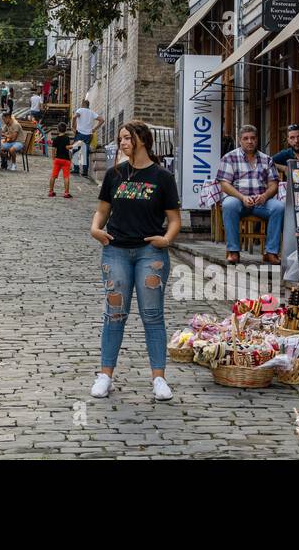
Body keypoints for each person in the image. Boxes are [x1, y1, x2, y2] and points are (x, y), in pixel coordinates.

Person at [89, 121, 180, 402]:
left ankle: (159, 379)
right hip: (115, 249)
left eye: (127, 137)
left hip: (150, 253)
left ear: (142, 139)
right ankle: (105, 375)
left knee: (153, 315)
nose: (123, 142)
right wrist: (95, 229)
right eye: (121, 138)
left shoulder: (162, 177)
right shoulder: (115, 174)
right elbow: (102, 210)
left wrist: (166, 240)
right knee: (114, 313)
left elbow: (174, 219)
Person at [216, 124, 283, 265]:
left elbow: (274, 184)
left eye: (252, 138)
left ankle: (271, 252)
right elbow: (224, 184)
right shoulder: (230, 157)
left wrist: (264, 196)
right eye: (245, 138)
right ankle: (233, 251)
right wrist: (242, 197)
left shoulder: (267, 159)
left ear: (257, 139)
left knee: (278, 207)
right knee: (228, 204)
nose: (250, 141)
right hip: (238, 200)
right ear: (240, 140)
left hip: (261, 201)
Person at [72, 100, 104, 179]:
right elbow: (102, 120)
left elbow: (74, 117)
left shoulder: (80, 110)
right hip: (88, 135)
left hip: (79, 134)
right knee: (85, 153)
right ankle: (85, 172)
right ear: (88, 105)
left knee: (75, 151)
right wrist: (94, 129)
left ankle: (76, 169)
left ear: (82, 104)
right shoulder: (92, 112)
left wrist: (73, 126)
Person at [48, 121, 73, 198]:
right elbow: (68, 148)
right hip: (66, 160)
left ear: (58, 130)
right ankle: (66, 193)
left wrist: (53, 159)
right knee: (66, 177)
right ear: (65, 130)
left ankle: (51, 191)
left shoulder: (55, 139)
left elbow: (53, 150)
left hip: (58, 159)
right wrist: (71, 159)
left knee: (53, 176)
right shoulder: (67, 138)